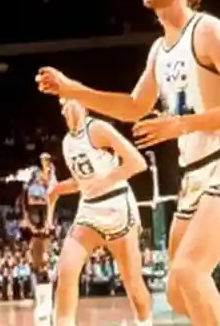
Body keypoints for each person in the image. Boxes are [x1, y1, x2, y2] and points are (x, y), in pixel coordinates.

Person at [36, 0, 220, 326]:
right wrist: (73, 88)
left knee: (191, 273)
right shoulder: (159, 50)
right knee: (178, 293)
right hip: (195, 175)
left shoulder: (208, 31)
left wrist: (182, 125)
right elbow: (133, 106)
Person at [47, 98, 153, 326]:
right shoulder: (67, 142)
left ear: (83, 106)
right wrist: (58, 189)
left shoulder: (97, 129)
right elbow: (82, 182)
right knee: (66, 270)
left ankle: (145, 322)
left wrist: (106, 181)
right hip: (89, 210)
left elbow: (137, 162)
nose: (67, 106)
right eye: (63, 103)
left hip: (117, 206)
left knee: (133, 283)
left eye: (71, 101)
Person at [18, 152, 55, 324]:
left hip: (42, 229)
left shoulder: (46, 188)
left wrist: (48, 221)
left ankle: (46, 305)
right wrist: (27, 220)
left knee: (43, 269)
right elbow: (25, 206)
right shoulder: (29, 190)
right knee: (39, 268)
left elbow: (49, 201)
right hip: (35, 230)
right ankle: (42, 305)